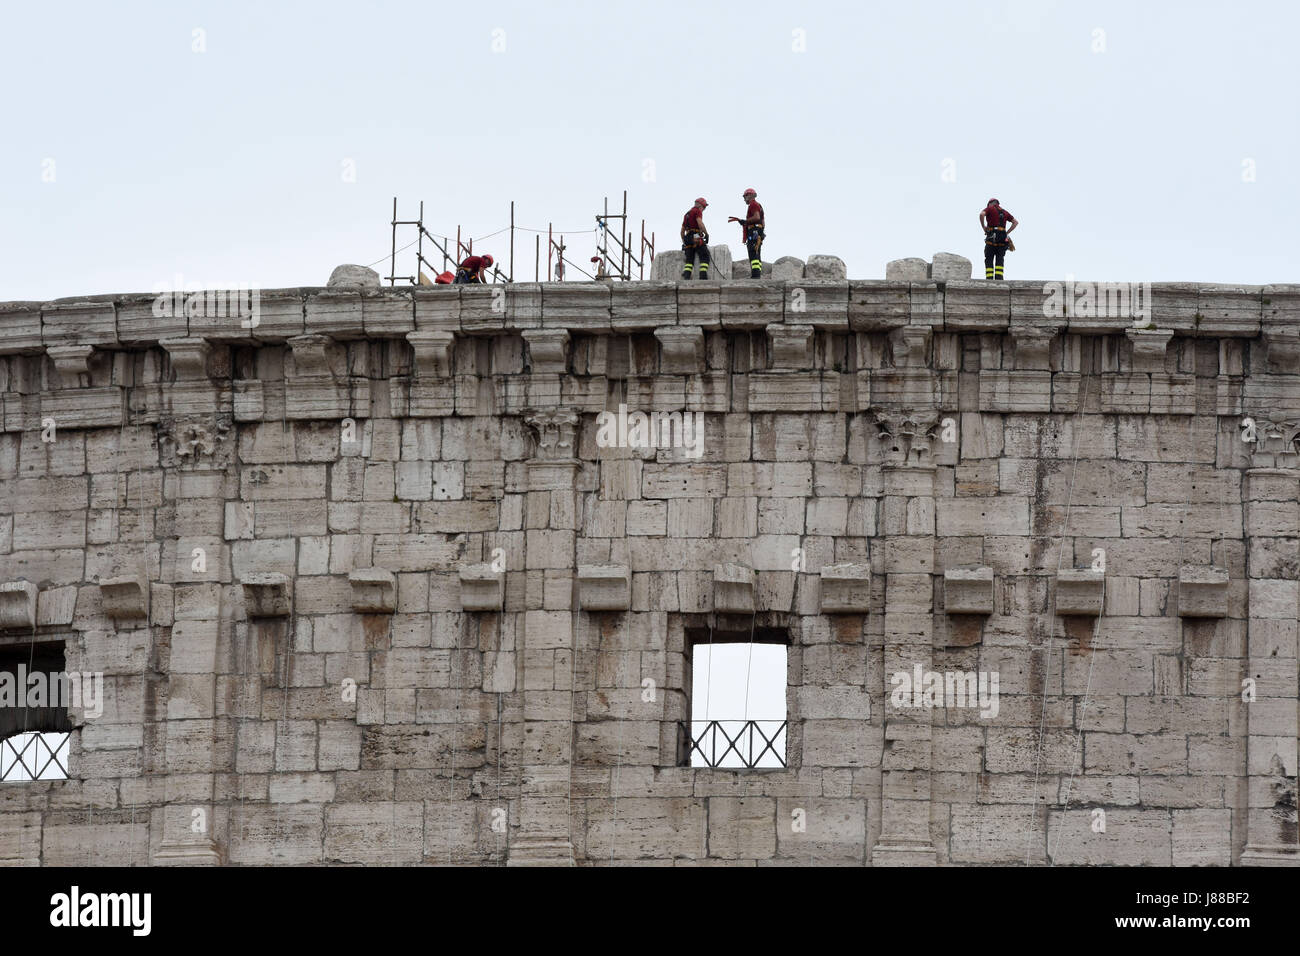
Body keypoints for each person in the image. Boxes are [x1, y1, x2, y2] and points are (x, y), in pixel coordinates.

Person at [729, 188, 765, 278]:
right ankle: (757, 275)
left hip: (754, 232)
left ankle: (755, 276)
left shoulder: (753, 204)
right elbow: (762, 222)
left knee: (753, 252)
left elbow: (756, 217)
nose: (744, 199)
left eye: (745, 196)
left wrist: (745, 221)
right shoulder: (759, 205)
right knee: (757, 252)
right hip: (758, 232)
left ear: (750, 195)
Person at [979, 199, 1017, 280]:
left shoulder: (990, 208)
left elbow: (982, 214)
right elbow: (1015, 222)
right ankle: (999, 278)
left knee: (989, 257)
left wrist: (983, 227)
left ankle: (989, 278)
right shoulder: (1005, 212)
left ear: (990, 204)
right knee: (1000, 258)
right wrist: (1007, 233)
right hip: (1003, 237)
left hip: (992, 236)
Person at [680, 198, 710, 280]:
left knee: (689, 260)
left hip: (687, 237)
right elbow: (700, 223)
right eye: (704, 207)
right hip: (695, 235)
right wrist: (706, 234)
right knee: (705, 255)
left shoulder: (687, 215)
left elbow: (682, 232)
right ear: (701, 205)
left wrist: (685, 242)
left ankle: (686, 277)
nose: (704, 209)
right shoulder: (697, 211)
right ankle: (703, 275)